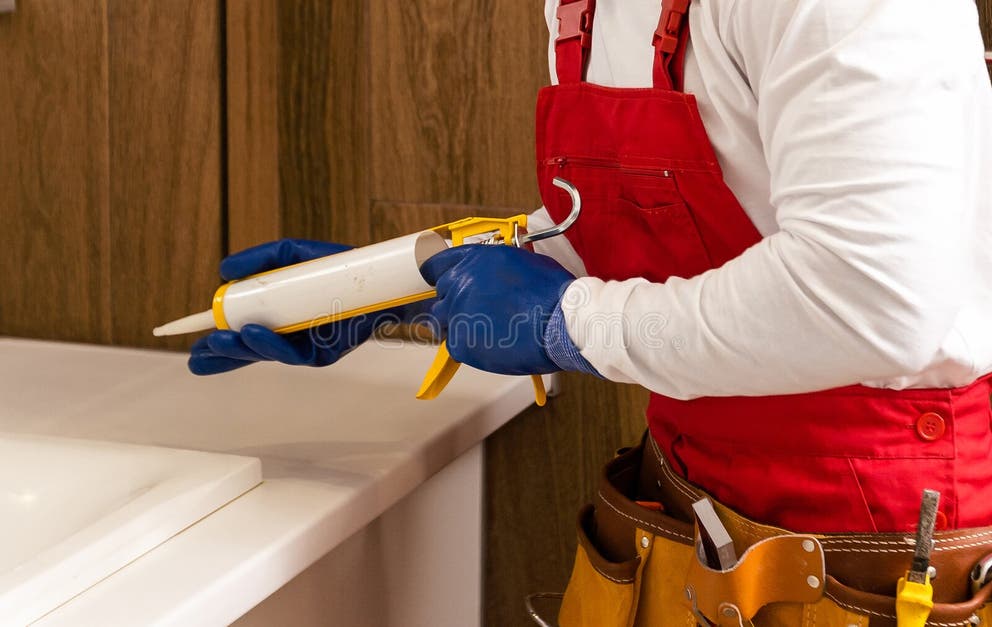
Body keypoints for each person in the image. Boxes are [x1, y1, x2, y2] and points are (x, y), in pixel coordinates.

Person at [191, 0, 992, 623]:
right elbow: (656, 234)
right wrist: (401, 286)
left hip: (876, 544)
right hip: (689, 511)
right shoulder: (586, 7)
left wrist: (565, 323)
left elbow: (872, 296)